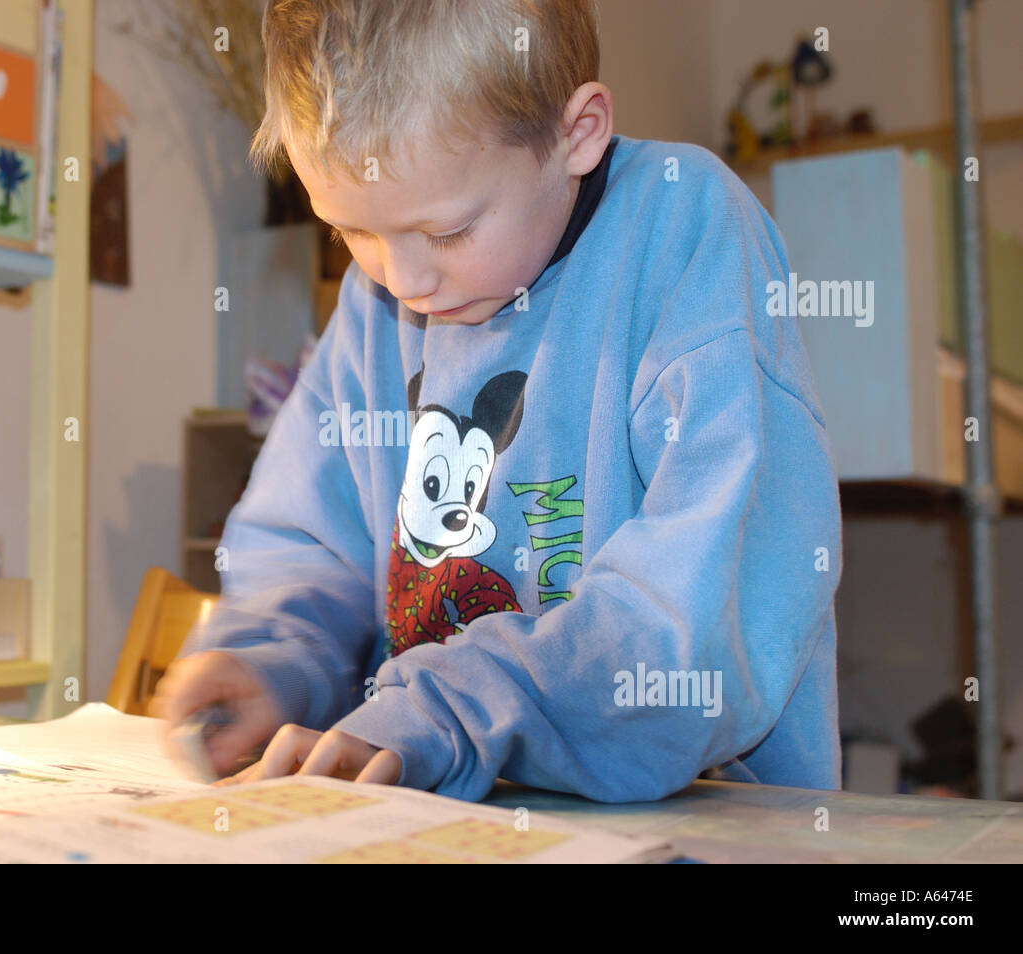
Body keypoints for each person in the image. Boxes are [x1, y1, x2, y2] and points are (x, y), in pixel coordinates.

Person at [154, 0, 843, 802]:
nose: (403, 280)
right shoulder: (378, 300)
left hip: (712, 815)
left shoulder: (686, 229)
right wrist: (272, 658)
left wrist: (452, 710)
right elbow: (312, 533)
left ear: (577, 132)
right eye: (352, 233)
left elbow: (704, 608)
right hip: (437, 812)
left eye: (446, 233)